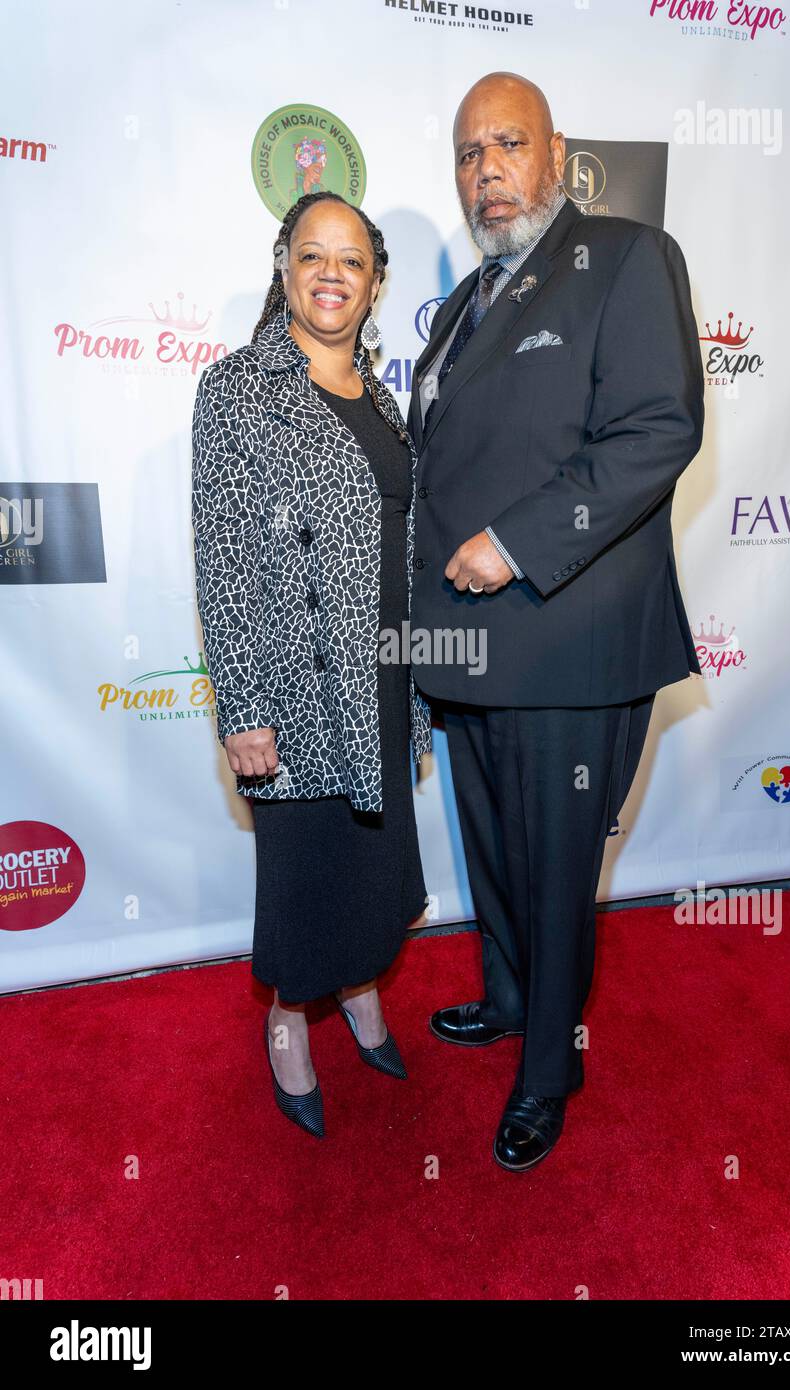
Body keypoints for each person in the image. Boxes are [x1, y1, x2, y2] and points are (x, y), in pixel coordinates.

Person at [408, 72, 704, 1172]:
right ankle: (505, 997)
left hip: (568, 638)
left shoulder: (626, 258)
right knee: (489, 851)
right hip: (469, 642)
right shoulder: (458, 307)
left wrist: (517, 542)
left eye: (506, 145)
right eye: (467, 153)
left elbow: (653, 428)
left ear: (554, 153)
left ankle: (547, 1068)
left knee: (550, 865)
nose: (485, 170)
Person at [192, 191, 432, 1139]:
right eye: (312, 256)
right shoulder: (239, 388)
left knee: (378, 864)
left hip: (382, 672)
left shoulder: (381, 398)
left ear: (375, 284)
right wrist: (243, 705)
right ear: (283, 267)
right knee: (303, 872)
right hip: (293, 686)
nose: (332, 274)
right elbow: (223, 558)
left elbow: (398, 547)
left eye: (352, 261)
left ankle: (365, 993)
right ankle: (290, 1023)